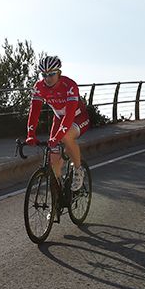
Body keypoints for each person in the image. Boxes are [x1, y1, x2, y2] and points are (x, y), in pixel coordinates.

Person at [25, 55, 90, 192]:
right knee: (53, 161)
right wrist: (31, 134)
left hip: (77, 117)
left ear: (59, 73)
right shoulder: (39, 87)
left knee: (65, 137)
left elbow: (70, 114)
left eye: (51, 74)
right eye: (44, 75)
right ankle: (57, 199)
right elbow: (34, 111)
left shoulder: (69, 85)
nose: (48, 78)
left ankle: (78, 170)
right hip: (59, 118)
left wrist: (58, 136)